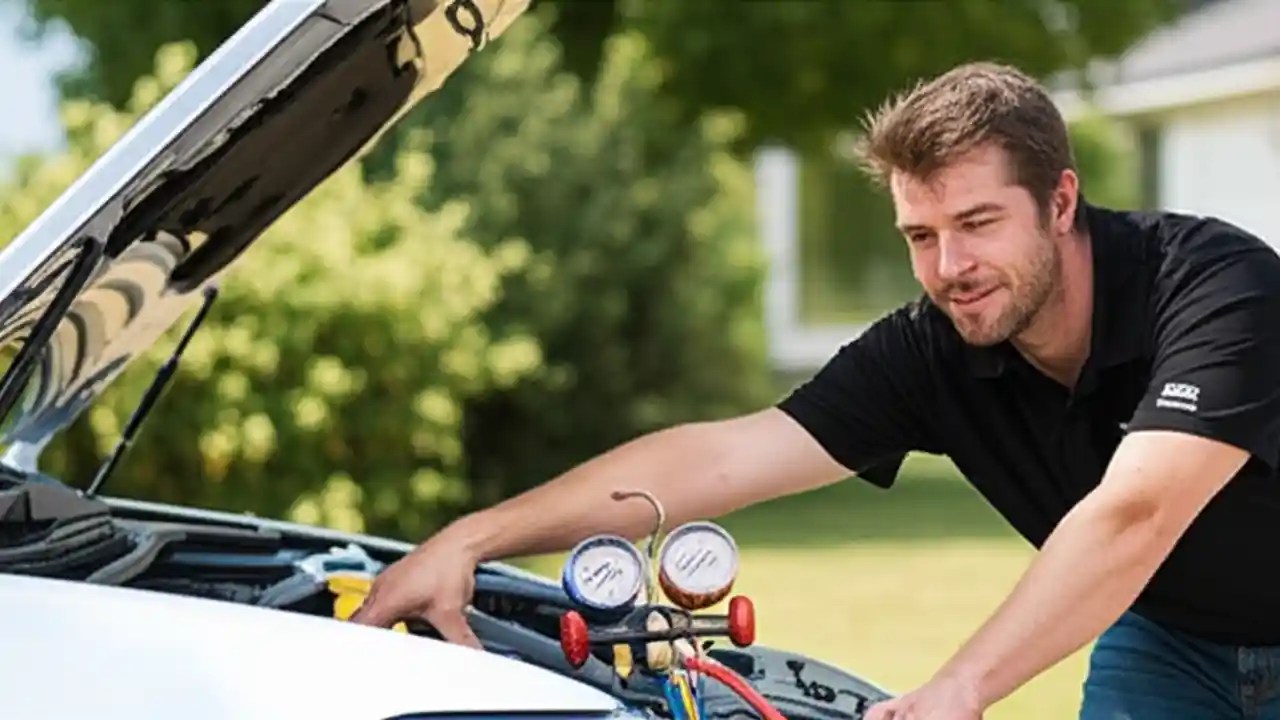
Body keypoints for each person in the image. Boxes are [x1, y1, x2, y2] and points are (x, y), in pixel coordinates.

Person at [352, 61, 1280, 719]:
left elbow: (1135, 514)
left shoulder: (1216, 288)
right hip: (1172, 643)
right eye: (920, 235)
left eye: (978, 223)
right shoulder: (934, 348)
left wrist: (962, 685)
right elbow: (722, 455)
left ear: (1062, 202)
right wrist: (468, 539)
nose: (950, 266)